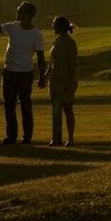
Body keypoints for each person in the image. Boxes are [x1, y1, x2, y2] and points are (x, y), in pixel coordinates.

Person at [0, 1, 46, 145]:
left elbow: (40, 57)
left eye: (20, 11)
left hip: (25, 73)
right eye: (18, 10)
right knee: (9, 106)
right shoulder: (13, 27)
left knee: (25, 105)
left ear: (28, 14)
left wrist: (42, 77)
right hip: (9, 71)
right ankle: (11, 136)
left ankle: (27, 137)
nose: (18, 13)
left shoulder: (36, 34)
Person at [46, 15, 78, 147]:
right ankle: (56, 138)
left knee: (67, 109)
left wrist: (69, 83)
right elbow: (51, 62)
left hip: (65, 80)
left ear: (60, 26)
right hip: (54, 80)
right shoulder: (57, 41)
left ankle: (70, 138)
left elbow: (72, 64)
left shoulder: (70, 43)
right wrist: (45, 76)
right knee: (56, 110)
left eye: (54, 24)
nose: (52, 26)